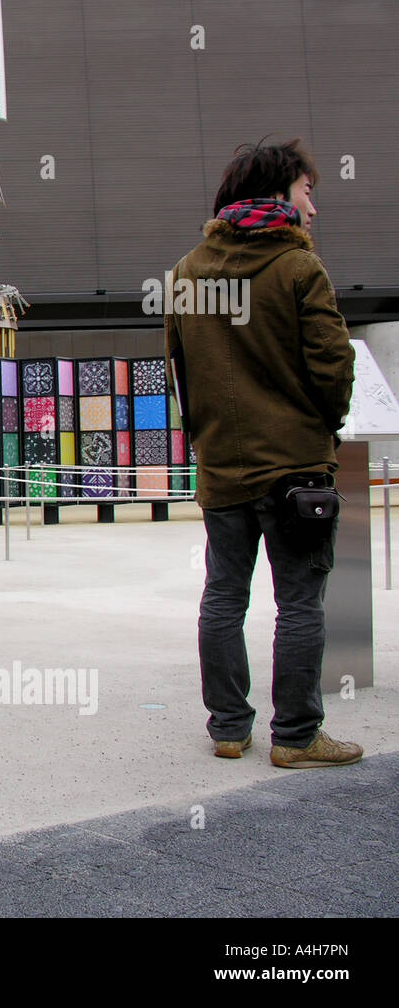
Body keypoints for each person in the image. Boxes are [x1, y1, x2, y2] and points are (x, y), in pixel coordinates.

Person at [164, 137, 359, 768]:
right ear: (278, 193)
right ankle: (298, 737)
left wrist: (206, 440)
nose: (313, 208)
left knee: (224, 594)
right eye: (308, 192)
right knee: (299, 602)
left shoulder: (188, 272)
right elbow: (333, 366)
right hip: (296, 469)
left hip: (222, 466)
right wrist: (320, 428)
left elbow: (182, 370)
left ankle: (228, 727)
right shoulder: (301, 269)